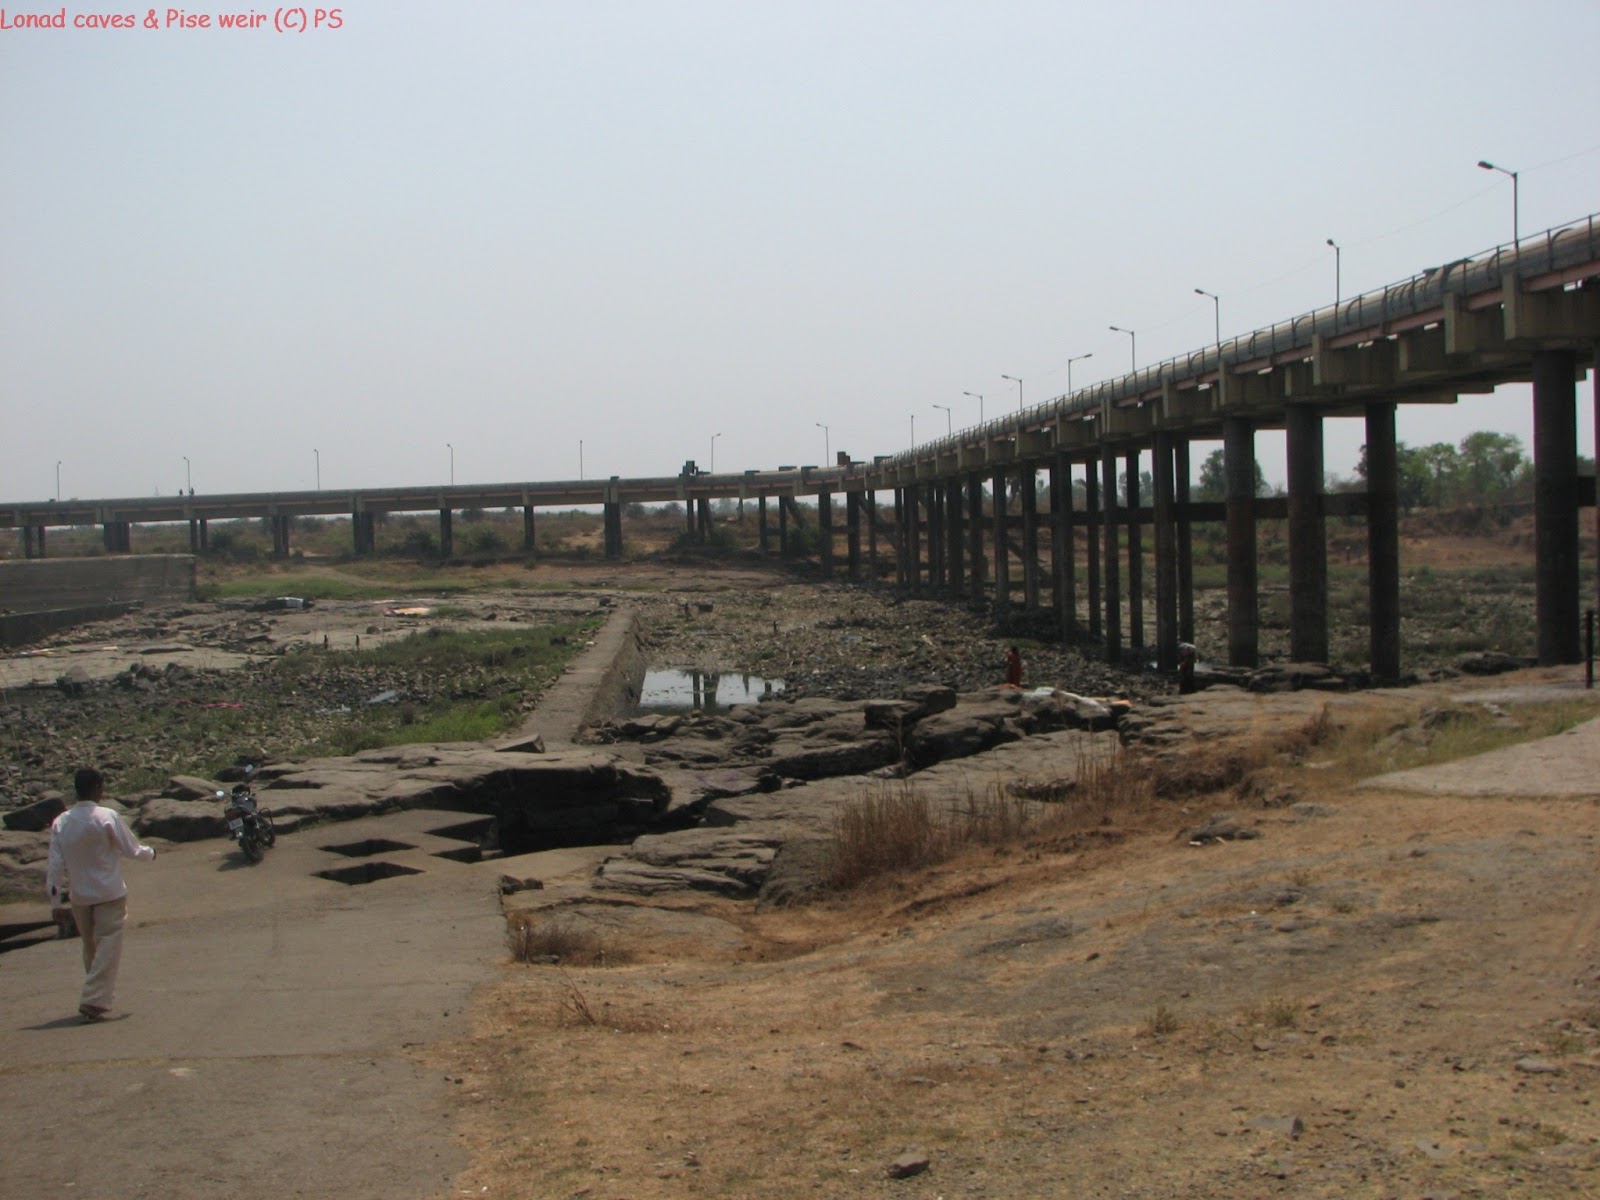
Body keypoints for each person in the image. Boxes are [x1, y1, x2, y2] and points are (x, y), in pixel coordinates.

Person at [46, 768, 156, 1023]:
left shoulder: (62, 822)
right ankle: (93, 999)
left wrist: (54, 902)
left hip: (80, 897)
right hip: (109, 892)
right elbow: (131, 849)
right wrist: (150, 853)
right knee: (109, 943)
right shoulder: (107, 816)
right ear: (98, 788)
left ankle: (97, 999)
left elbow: (54, 867)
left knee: (91, 947)